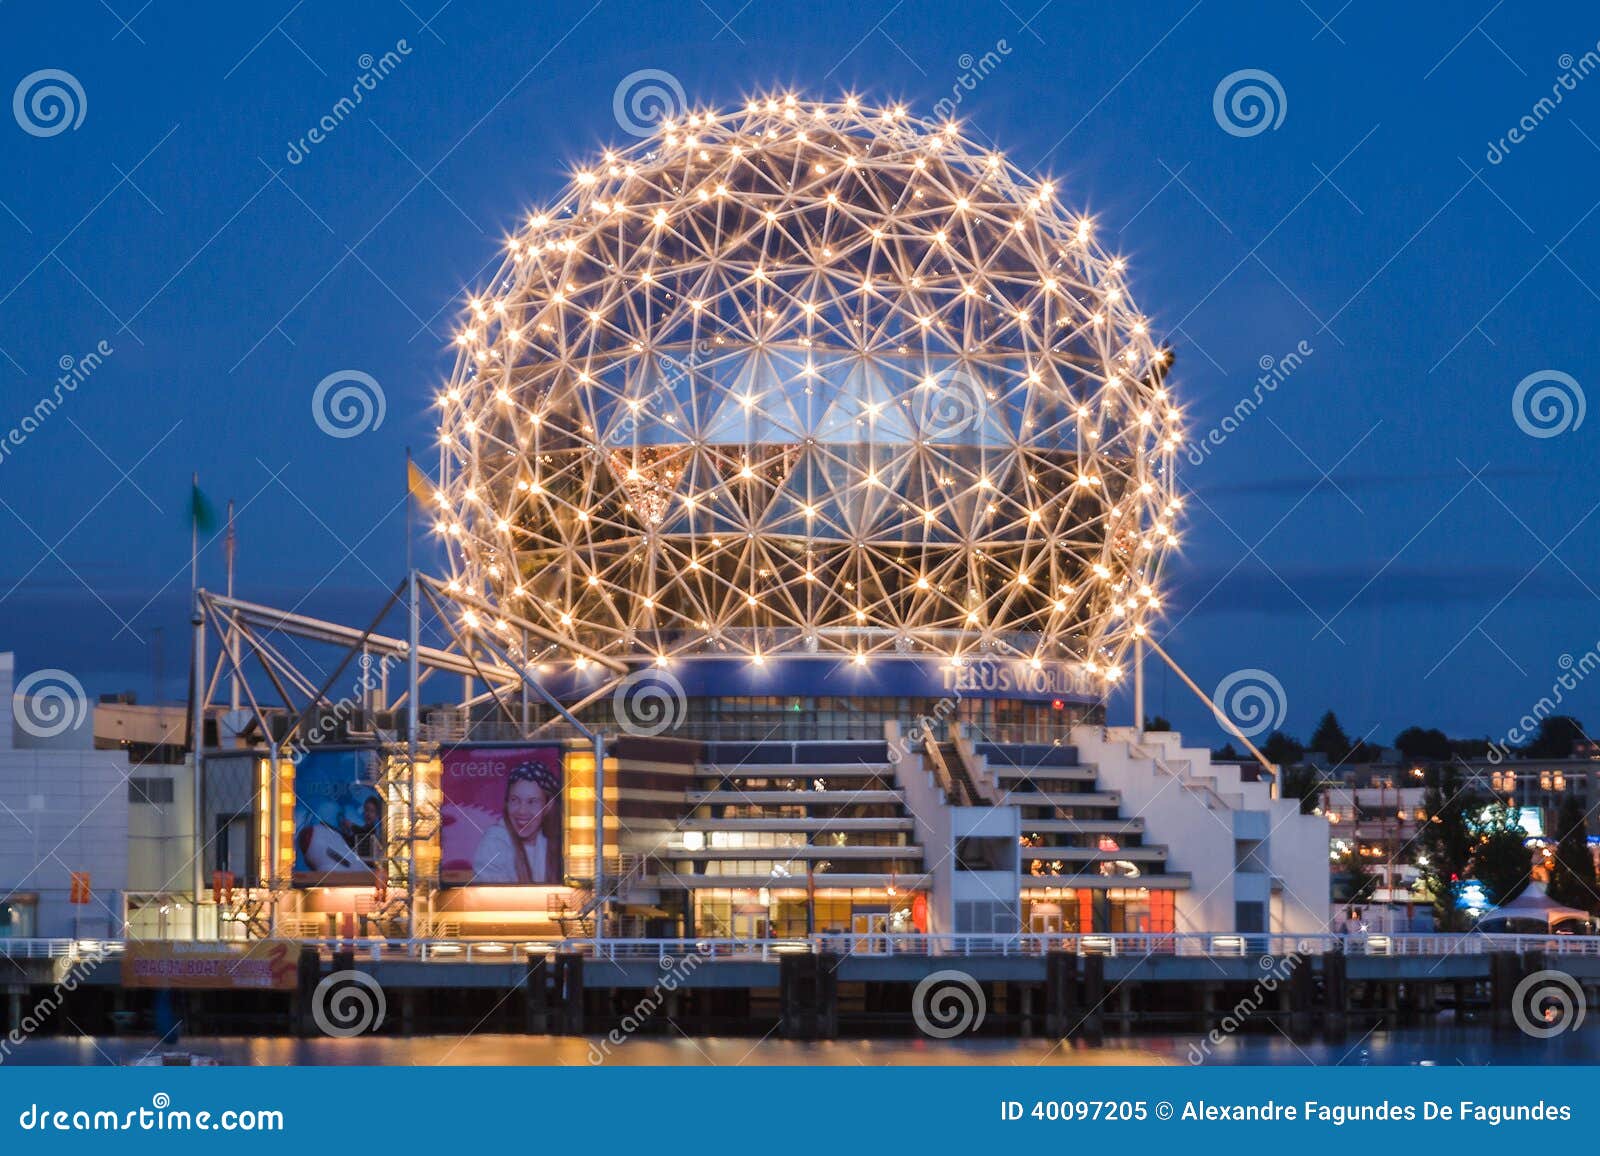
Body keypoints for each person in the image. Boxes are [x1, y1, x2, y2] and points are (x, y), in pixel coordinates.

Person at [472, 761, 561, 883]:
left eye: (532, 801)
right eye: (515, 800)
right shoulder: (494, 842)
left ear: (548, 806)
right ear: (507, 802)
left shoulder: (556, 841)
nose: (522, 811)